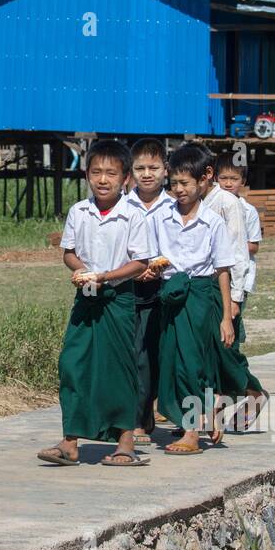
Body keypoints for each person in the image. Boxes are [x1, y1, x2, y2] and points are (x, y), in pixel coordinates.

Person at [38, 140, 154, 467]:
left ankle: (126, 441)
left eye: (111, 173)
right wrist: (83, 271)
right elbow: (69, 253)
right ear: (87, 174)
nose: (103, 180)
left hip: (118, 298)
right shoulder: (79, 211)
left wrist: (104, 277)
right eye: (96, 172)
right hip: (85, 298)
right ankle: (70, 441)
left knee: (118, 368)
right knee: (73, 364)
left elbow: (140, 263)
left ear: (125, 178)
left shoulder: (133, 214)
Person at [151, 144, 236, 455]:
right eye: (173, 183)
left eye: (185, 183)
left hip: (200, 296)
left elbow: (223, 271)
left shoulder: (213, 222)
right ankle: (211, 405)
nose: (179, 190)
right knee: (171, 361)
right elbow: (153, 257)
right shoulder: (162, 218)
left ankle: (191, 432)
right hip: (170, 294)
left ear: (203, 181)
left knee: (191, 362)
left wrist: (226, 317)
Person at [123, 139, 174, 442]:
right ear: (130, 172)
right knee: (131, 354)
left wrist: (155, 268)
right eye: (140, 168)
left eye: (153, 168)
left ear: (165, 170)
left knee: (152, 354)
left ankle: (147, 414)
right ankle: (132, 416)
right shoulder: (123, 204)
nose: (146, 174)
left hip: (161, 287)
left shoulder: (173, 205)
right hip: (127, 286)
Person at [215, 155, 267, 421]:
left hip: (238, 281)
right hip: (214, 280)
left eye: (233, 179)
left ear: (243, 182)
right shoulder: (210, 204)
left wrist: (225, 244)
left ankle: (250, 391)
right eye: (223, 178)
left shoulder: (246, 210)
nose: (227, 183)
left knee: (228, 343)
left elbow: (253, 245)